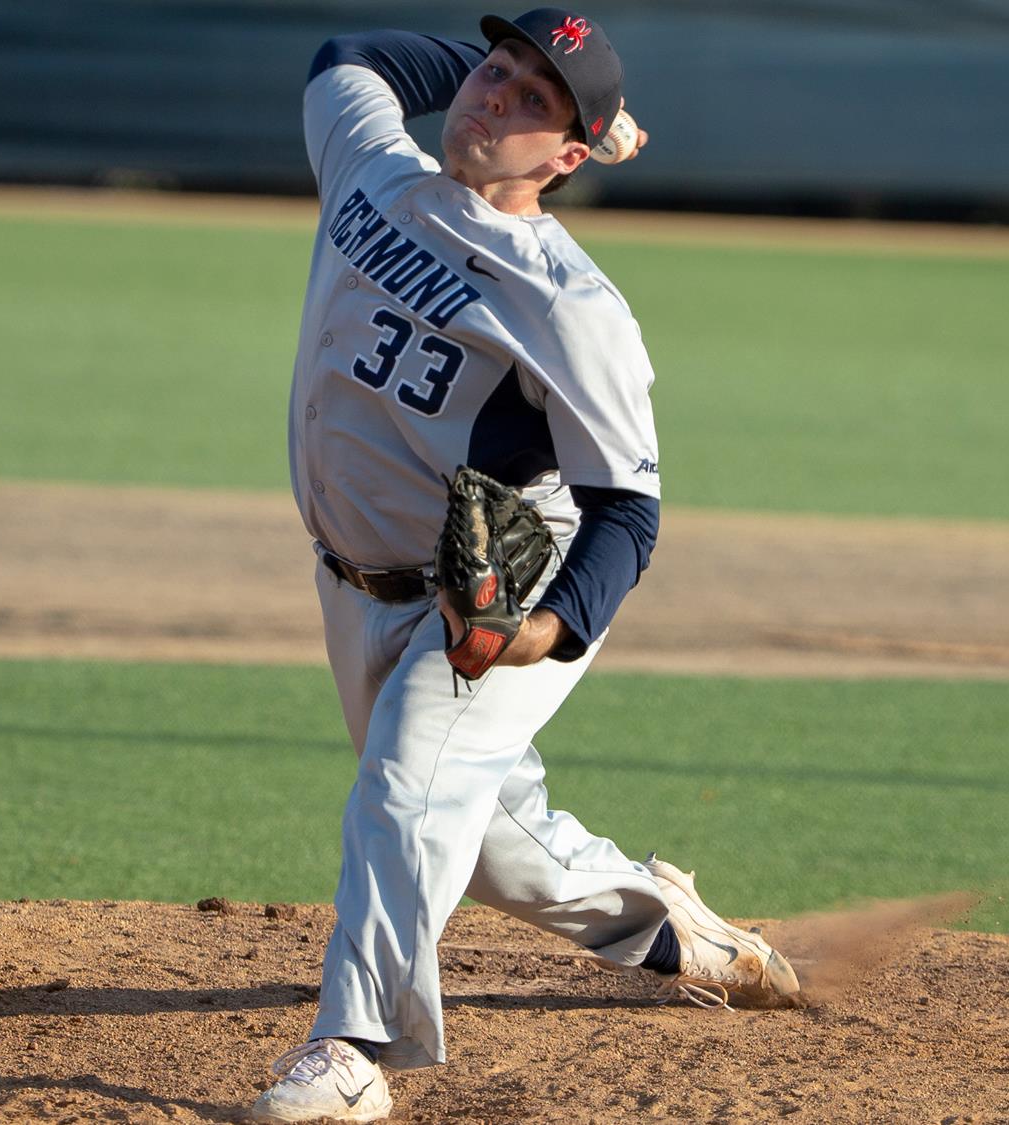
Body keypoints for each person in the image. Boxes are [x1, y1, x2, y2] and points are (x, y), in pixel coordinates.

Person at [255, 10, 802, 1121]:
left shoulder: (569, 304)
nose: (492, 95)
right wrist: (531, 84)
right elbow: (344, 61)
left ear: (567, 158)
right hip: (351, 579)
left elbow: (627, 510)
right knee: (495, 851)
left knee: (404, 791)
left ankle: (355, 1052)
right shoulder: (371, 167)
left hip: (491, 588)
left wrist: (543, 630)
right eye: (492, 69)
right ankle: (663, 923)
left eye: (531, 99)